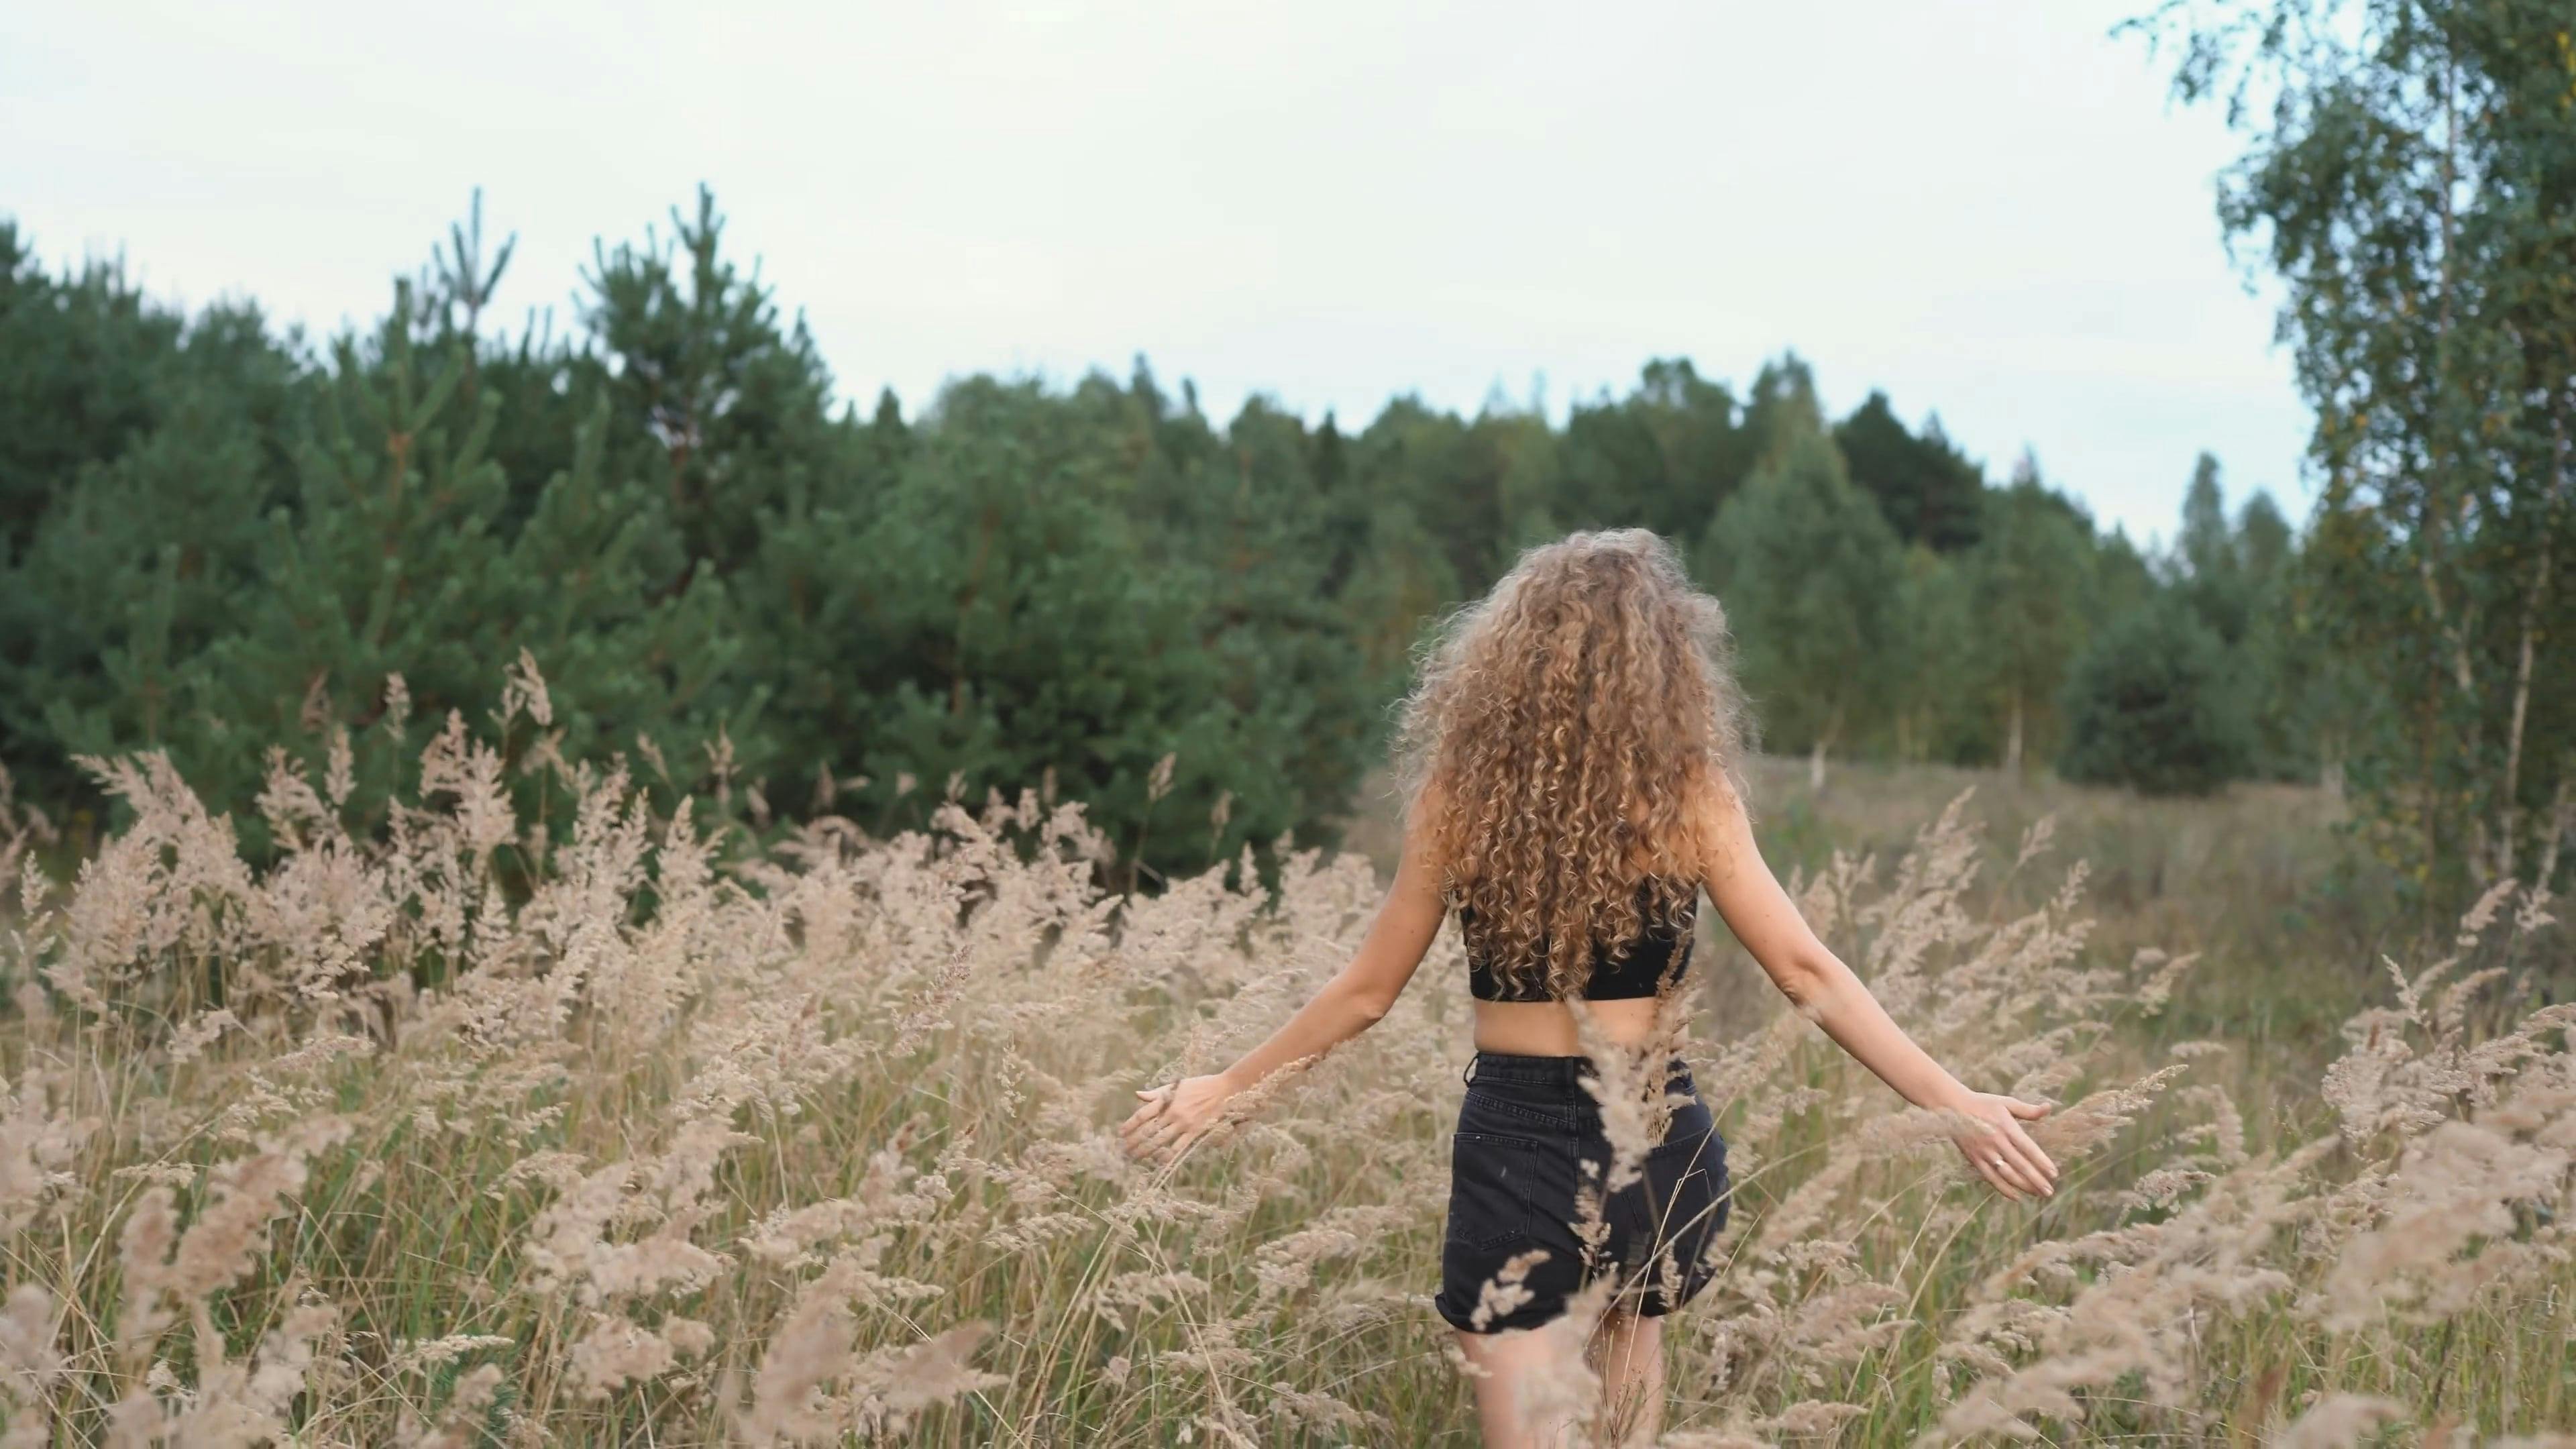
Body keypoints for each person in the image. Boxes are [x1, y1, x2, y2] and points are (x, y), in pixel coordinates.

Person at [1118, 529, 2055, 1447]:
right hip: (1656, 1127)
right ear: (1665, 664)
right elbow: (1805, 970)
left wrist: (1226, 1090)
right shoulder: (1690, 792)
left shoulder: (1460, 795)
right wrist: (1952, 1102)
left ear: (1510, 658)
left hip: (1513, 1138)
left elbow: (1367, 993)